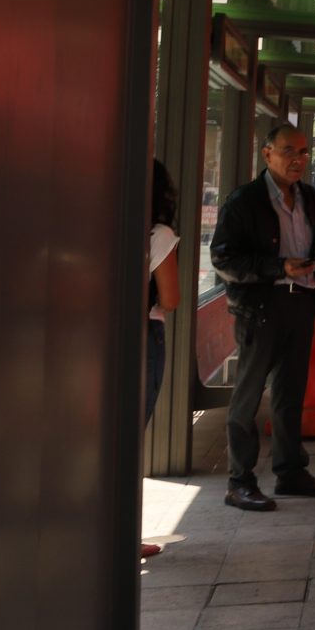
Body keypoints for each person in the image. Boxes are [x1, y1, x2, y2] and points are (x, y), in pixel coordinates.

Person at [209, 124, 315, 512]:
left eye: (303, 152)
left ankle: (290, 473)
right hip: (260, 308)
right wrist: (277, 266)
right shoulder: (244, 201)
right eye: (288, 151)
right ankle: (240, 481)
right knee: (248, 397)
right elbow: (224, 259)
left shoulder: (309, 197)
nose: (298, 159)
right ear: (267, 154)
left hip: (300, 303)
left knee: (290, 395)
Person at [144, 161, 184, 559]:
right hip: (144, 335)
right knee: (128, 435)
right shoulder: (158, 234)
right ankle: (124, 535)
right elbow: (170, 299)